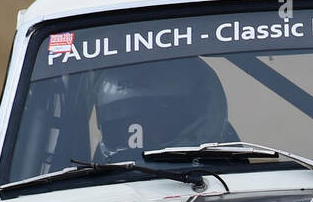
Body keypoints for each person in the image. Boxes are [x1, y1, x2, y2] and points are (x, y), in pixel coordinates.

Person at [92, 56, 238, 162]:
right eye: (121, 121)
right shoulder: (90, 179)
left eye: (157, 121)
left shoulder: (238, 178)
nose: (138, 134)